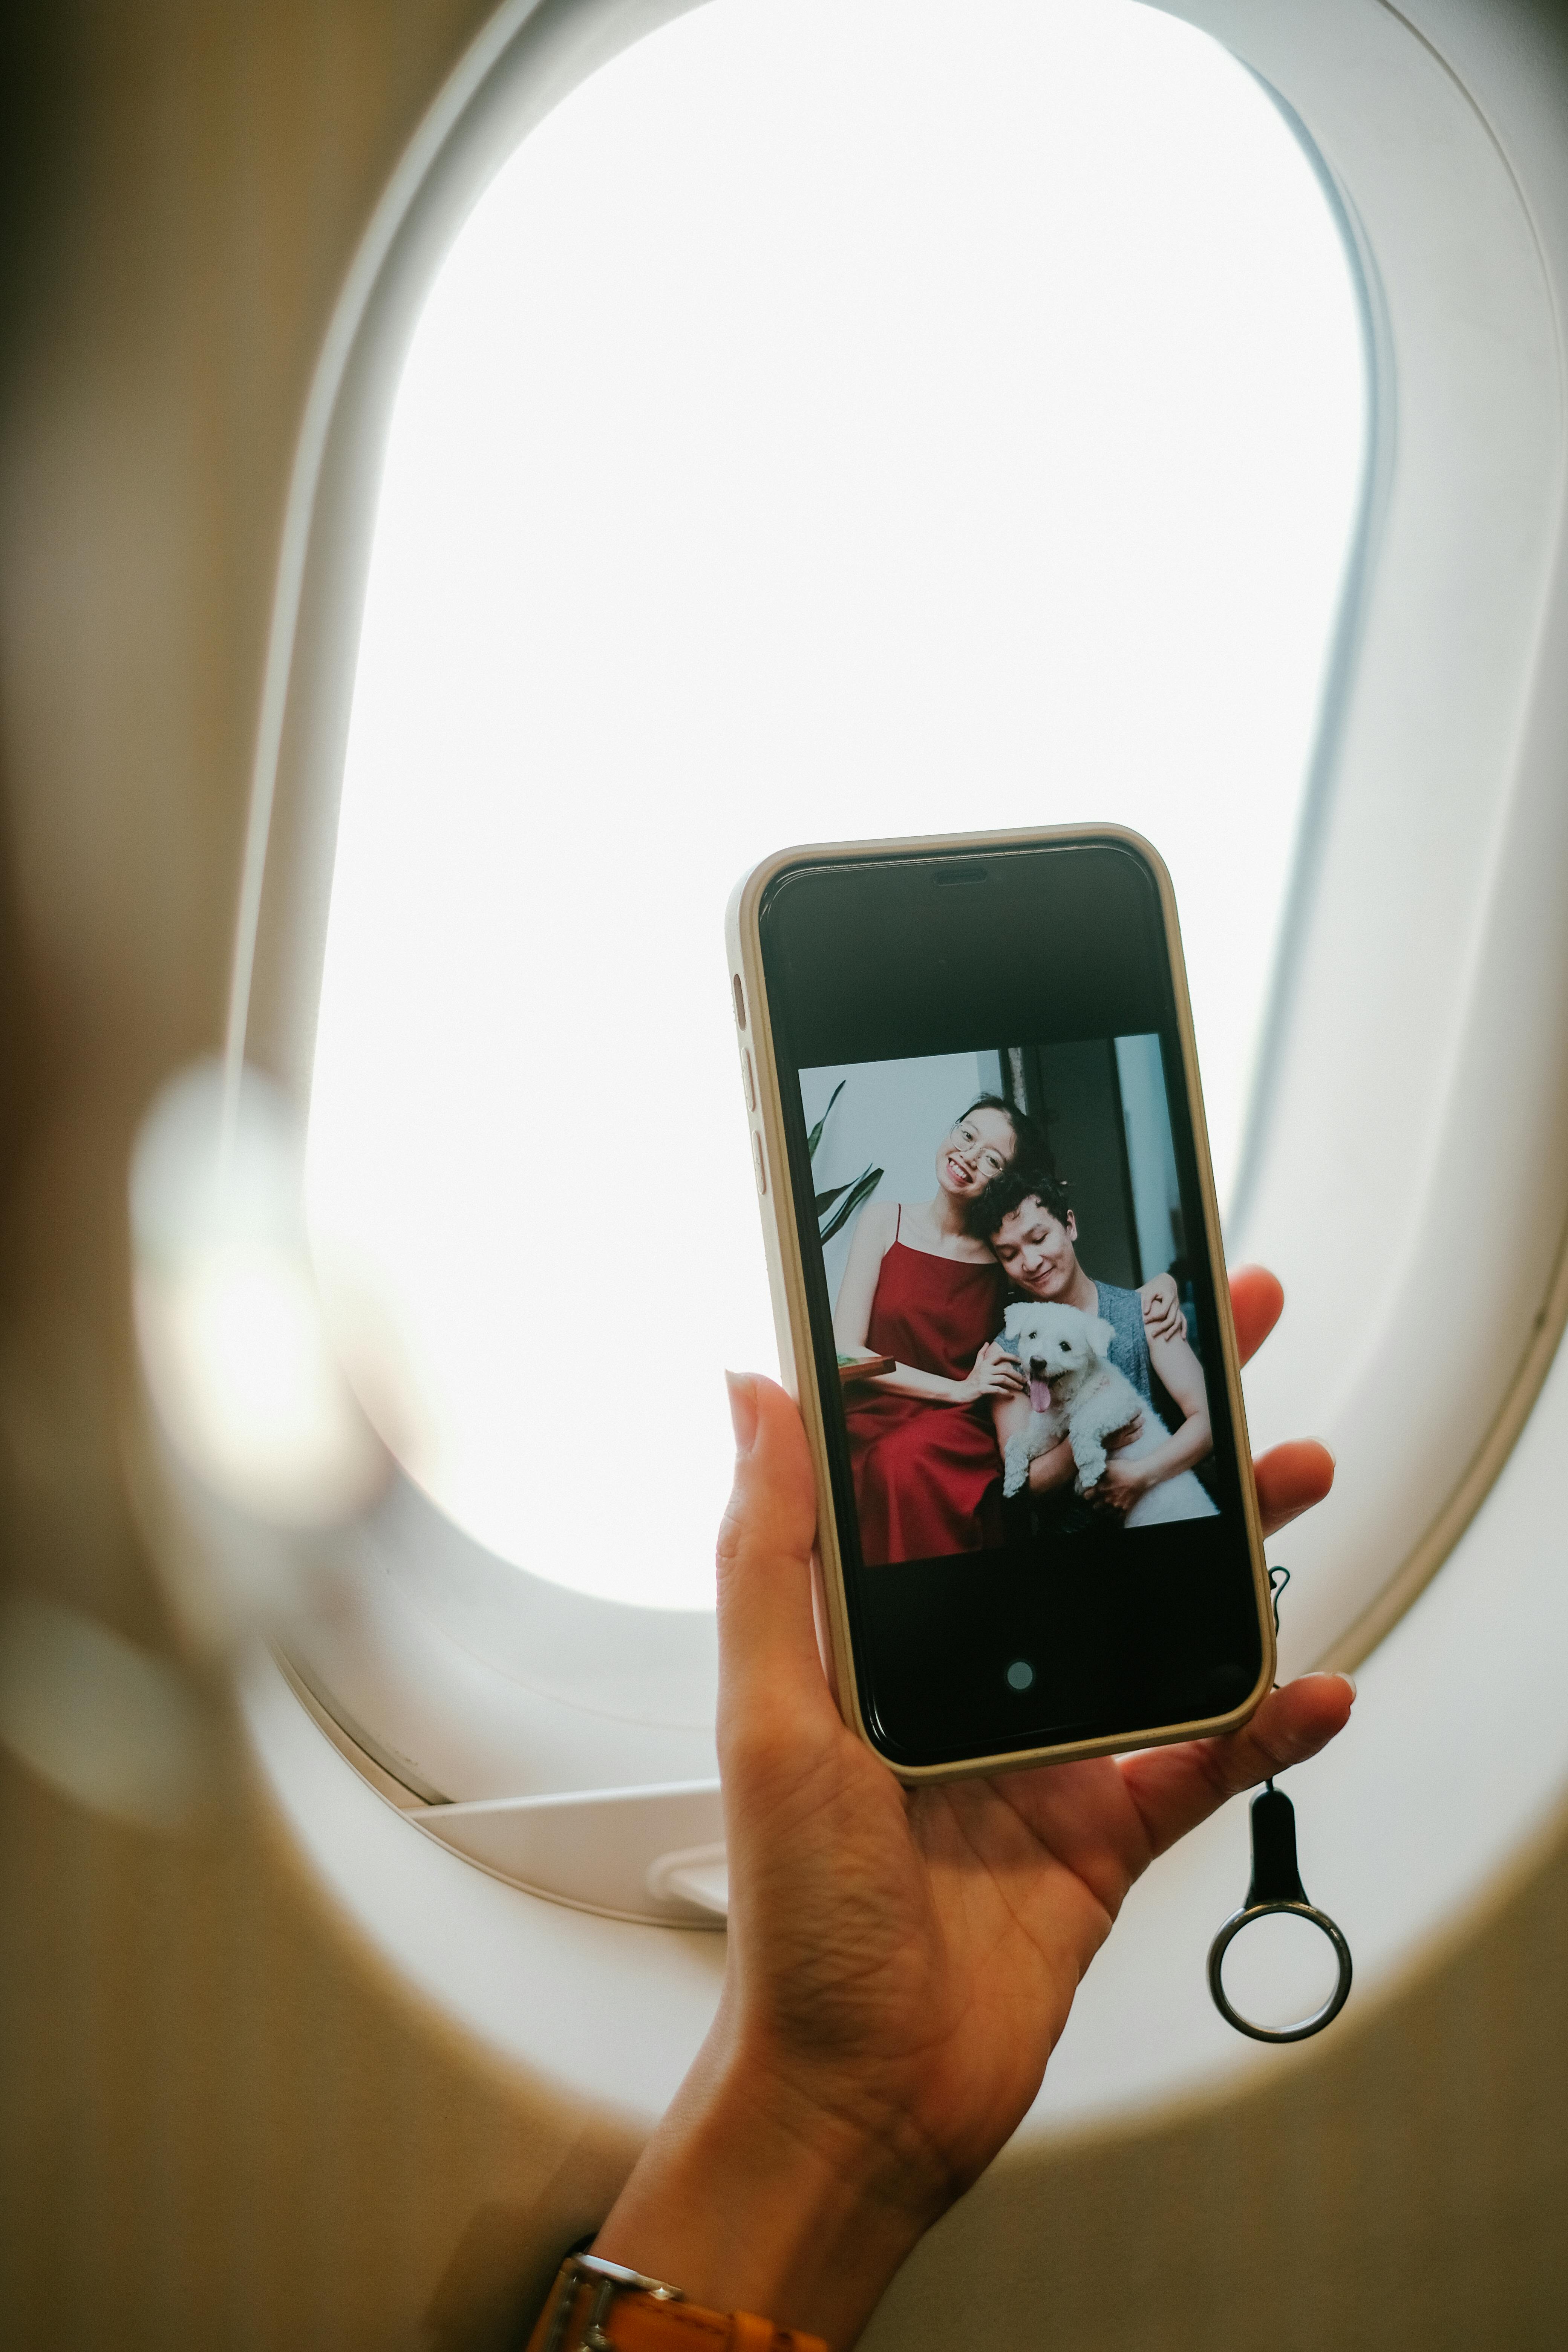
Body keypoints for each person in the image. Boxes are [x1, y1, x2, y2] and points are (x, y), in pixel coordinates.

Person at [581, 1268, 1347, 2349]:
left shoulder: (1136, 1312)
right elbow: (1024, 1479)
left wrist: (829, 2122)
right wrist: (833, 2109)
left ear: (1064, 1228)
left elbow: (1175, 1421)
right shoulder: (1011, 1360)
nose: (1023, 1240)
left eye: (1033, 1210)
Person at [835, 1098, 1179, 1563]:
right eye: (967, 1134)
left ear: (1006, 1182)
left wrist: (1162, 1284)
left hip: (955, 1431)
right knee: (879, 1462)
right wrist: (956, 1389)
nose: (969, 1156)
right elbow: (843, 1354)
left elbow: (1076, 1302)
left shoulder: (1005, 1256)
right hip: (875, 1413)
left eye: (992, 1160)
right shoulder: (883, 1221)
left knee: (903, 1462)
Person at [977, 1164, 1213, 1522]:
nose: (1031, 1262)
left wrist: (1141, 1475)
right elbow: (1027, 1485)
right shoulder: (1008, 1353)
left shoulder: (1144, 1312)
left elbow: (1210, 1420)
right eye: (1009, 1255)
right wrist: (1088, 1441)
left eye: (1039, 1239)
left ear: (1069, 1225)